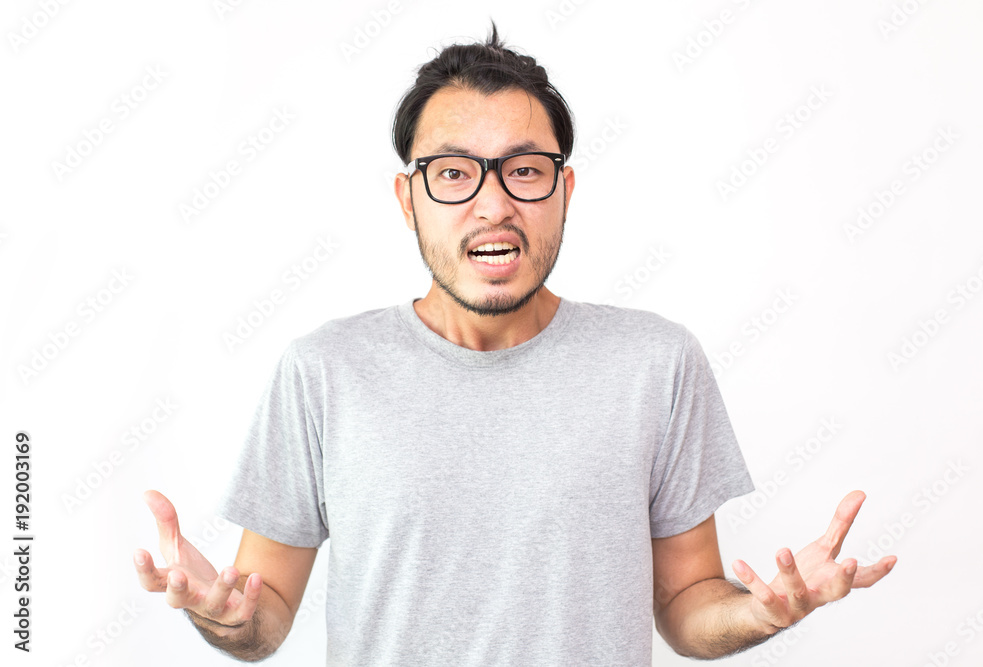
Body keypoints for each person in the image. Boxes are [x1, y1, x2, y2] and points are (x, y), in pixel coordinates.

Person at [133, 21, 897, 665]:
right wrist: (219, 611)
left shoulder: (655, 364)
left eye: (525, 170)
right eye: (454, 172)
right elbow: (261, 618)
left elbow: (686, 600)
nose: (493, 204)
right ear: (409, 199)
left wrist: (764, 613)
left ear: (564, 191)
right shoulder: (324, 372)